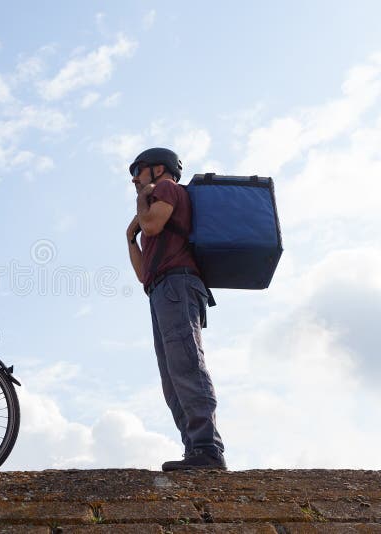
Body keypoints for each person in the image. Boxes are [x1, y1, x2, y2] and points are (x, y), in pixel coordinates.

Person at [125, 147, 226, 471]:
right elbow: (143, 273)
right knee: (172, 377)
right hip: (161, 289)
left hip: (177, 285)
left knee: (186, 366)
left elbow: (152, 226)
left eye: (138, 170)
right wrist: (131, 238)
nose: (135, 178)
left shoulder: (168, 189)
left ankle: (208, 449)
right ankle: (195, 451)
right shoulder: (154, 200)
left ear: (158, 169)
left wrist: (143, 202)